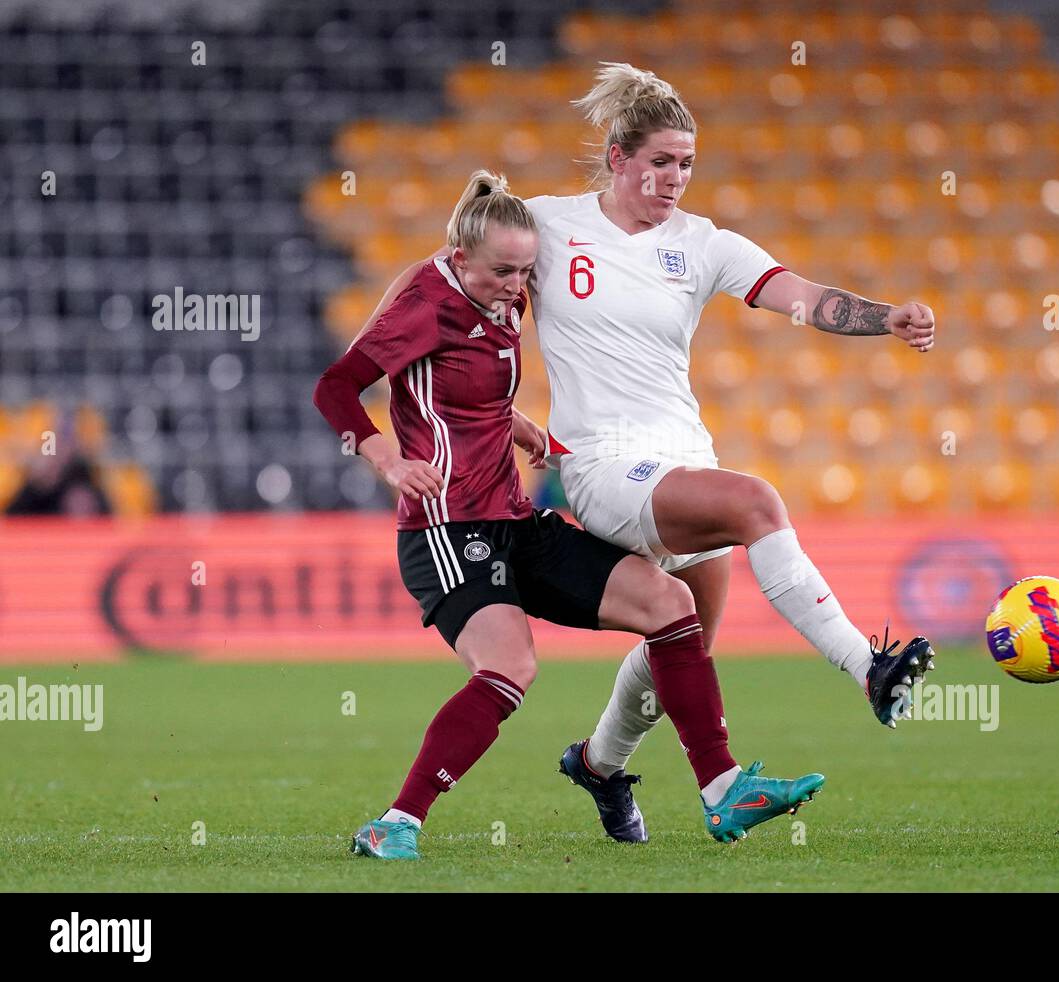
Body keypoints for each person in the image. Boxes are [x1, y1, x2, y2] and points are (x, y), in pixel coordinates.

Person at [354, 63, 938, 844]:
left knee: (684, 636)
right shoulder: (553, 226)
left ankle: (598, 765)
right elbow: (453, 269)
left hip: (681, 461)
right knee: (758, 503)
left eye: (687, 163)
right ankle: (866, 665)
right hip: (600, 466)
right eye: (660, 161)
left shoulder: (703, 244)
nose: (674, 179)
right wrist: (410, 363)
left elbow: (801, 297)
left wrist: (886, 316)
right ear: (619, 157)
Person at [313, 170, 824, 856]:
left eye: (525, 271)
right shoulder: (424, 300)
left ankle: (723, 788)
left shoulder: (500, 294)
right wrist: (388, 461)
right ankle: (396, 823)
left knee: (671, 603)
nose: (515, 286)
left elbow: (466, 391)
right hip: (446, 525)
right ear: (461, 258)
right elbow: (337, 386)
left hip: (514, 518)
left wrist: (522, 427)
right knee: (510, 666)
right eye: (501, 271)